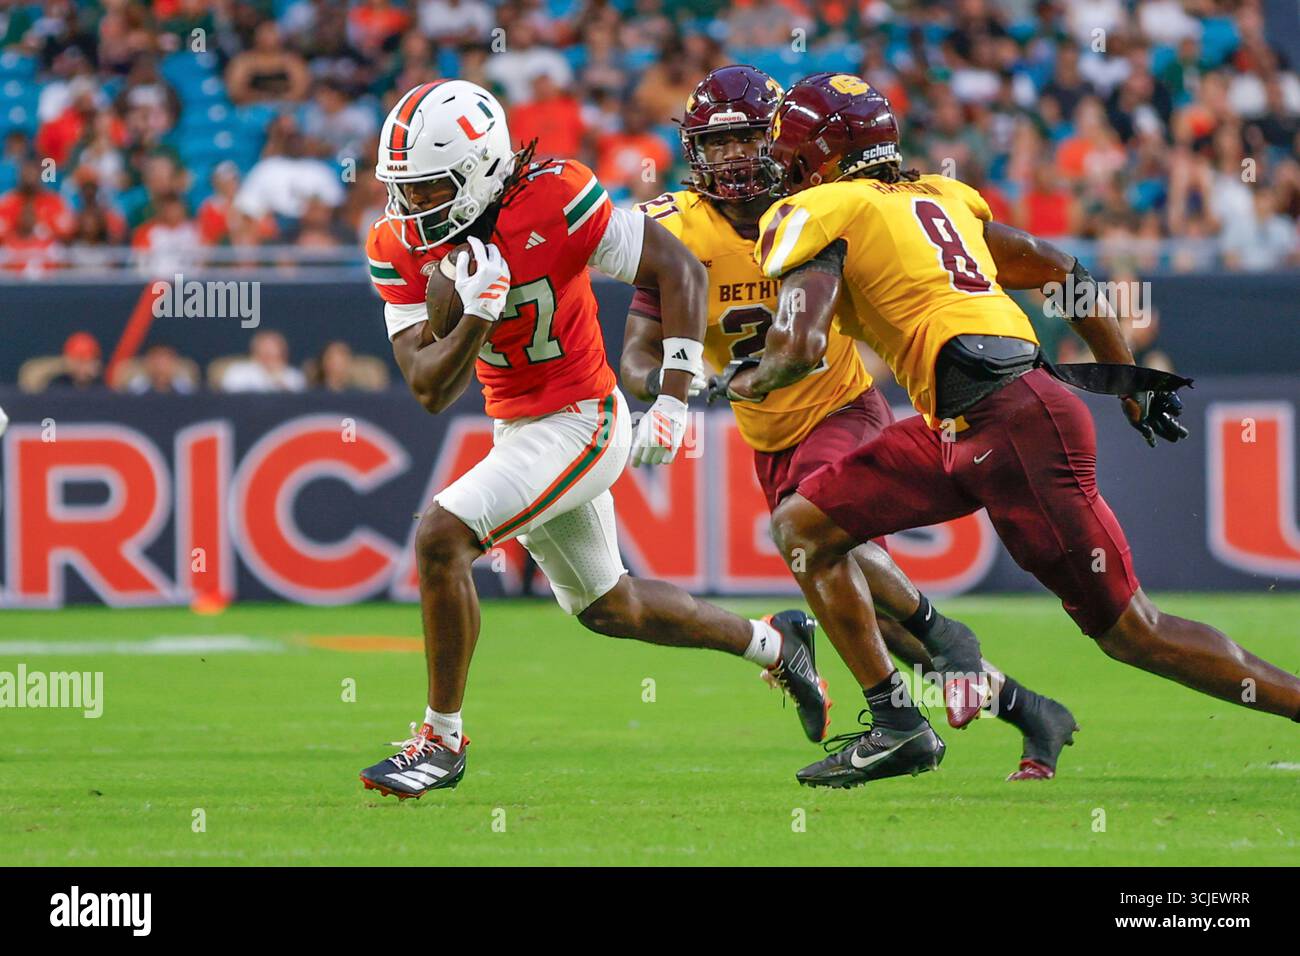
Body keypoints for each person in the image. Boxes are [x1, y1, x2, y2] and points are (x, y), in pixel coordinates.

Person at [728, 72, 1300, 788]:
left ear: (820, 153)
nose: (780, 164)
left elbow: (800, 346)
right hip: (966, 425)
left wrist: (742, 380)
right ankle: (901, 719)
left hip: (1013, 423)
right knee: (804, 526)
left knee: (1134, 633)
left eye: (788, 149)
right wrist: (1124, 377)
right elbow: (1062, 267)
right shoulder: (939, 197)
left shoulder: (821, 209)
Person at [358, 80, 829, 800]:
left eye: (430, 189)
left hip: (583, 418)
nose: (412, 209)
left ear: (481, 168)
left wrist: (674, 393)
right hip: (518, 424)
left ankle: (441, 740)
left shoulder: (555, 198)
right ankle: (777, 642)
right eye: (407, 190)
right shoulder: (395, 245)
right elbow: (427, 386)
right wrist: (478, 317)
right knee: (610, 607)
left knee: (441, 537)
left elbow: (674, 266)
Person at [623, 66, 1077, 781]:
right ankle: (1027, 709)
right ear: (692, 153)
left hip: (838, 405)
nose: (736, 159)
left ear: (780, 143)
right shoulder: (675, 228)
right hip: (764, 431)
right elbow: (636, 358)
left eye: (748, 140)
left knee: (818, 535)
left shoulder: (820, 206)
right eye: (718, 146)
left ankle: (904, 714)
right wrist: (675, 384)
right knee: (874, 620)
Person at [220, 330, 306, 393]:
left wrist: (278, 382)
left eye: (276, 355)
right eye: (266, 354)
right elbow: (231, 399)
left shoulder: (294, 376)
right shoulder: (239, 371)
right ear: (255, 353)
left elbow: (297, 404)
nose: (271, 360)